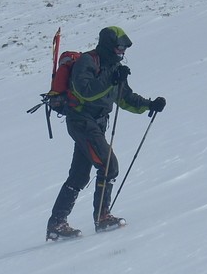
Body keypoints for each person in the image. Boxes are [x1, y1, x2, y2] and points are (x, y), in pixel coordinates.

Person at [46, 26, 166, 240]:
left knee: (79, 175)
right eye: (119, 47)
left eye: (124, 48)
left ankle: (57, 224)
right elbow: (86, 91)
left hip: (96, 123)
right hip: (82, 120)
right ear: (109, 45)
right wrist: (112, 78)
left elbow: (124, 97)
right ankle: (102, 218)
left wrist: (150, 105)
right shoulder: (87, 62)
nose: (122, 52)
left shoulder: (113, 66)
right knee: (108, 165)